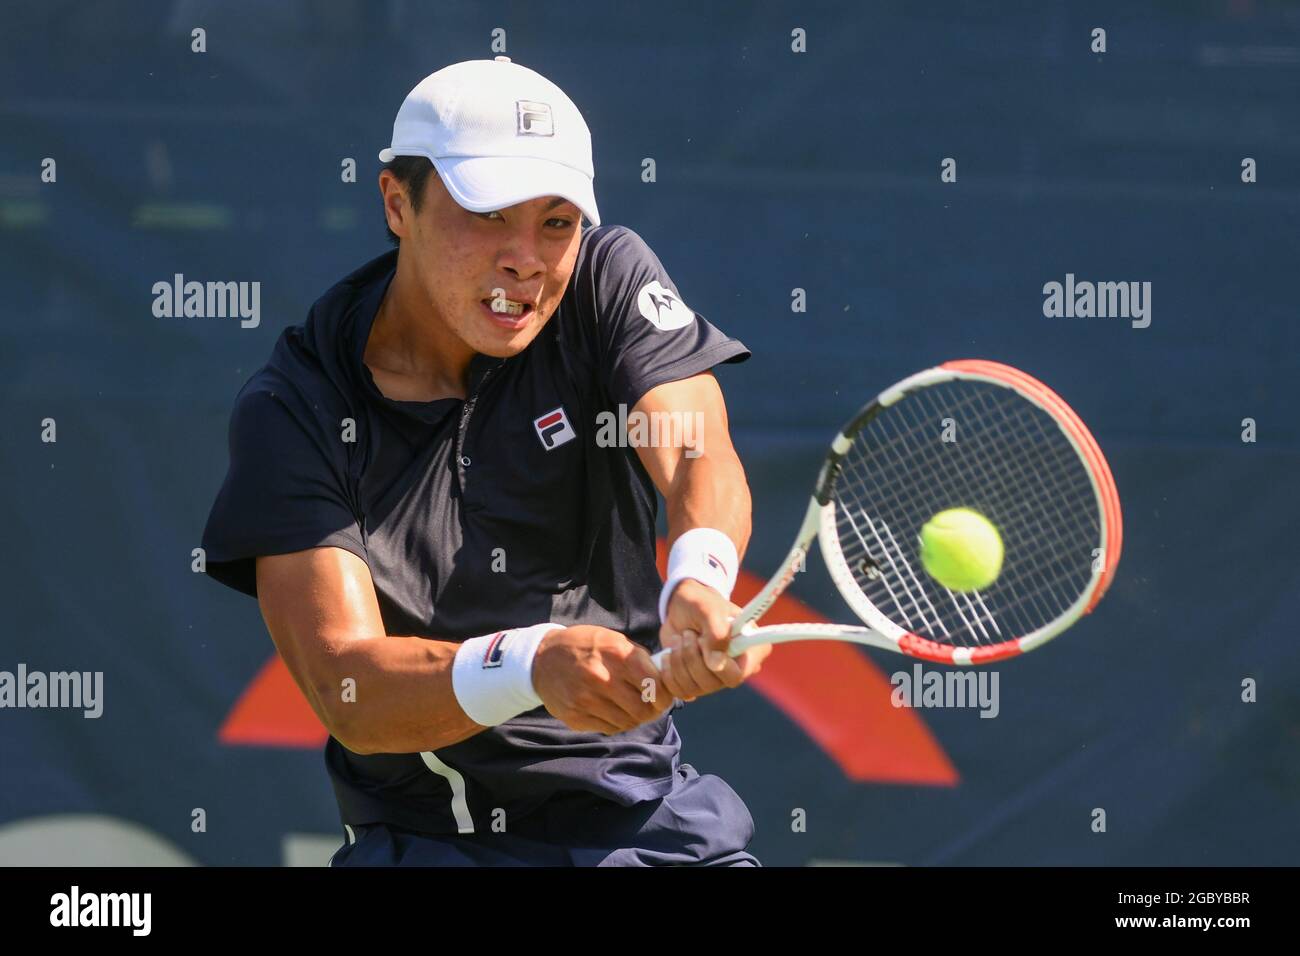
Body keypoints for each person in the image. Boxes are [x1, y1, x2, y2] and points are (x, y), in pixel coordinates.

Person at [200, 57, 770, 866]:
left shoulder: (606, 281)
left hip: (648, 825)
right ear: (398, 203)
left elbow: (692, 452)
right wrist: (530, 665)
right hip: (440, 843)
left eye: (556, 222)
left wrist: (700, 577)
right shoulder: (296, 409)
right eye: (489, 214)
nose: (526, 259)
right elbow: (347, 689)